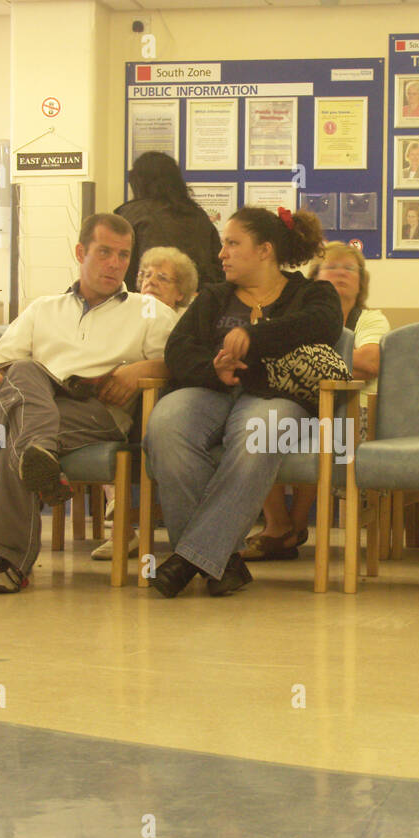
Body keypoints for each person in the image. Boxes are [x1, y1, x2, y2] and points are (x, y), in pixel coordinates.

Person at [142, 207, 340, 597]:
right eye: (223, 245)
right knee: (165, 426)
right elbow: (179, 350)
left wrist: (255, 336)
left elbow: (324, 325)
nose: (222, 254)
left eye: (232, 244)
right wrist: (213, 368)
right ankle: (222, 560)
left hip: (276, 397)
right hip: (212, 389)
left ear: (264, 250)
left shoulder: (311, 292)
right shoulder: (215, 296)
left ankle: (188, 559)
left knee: (258, 433)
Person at [0, 214, 176, 593]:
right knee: (24, 375)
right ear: (81, 252)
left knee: (22, 430)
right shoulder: (43, 308)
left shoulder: (149, 311)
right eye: (104, 252)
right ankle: (39, 454)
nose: (115, 264)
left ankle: (9, 559)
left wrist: (139, 370)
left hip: (98, 410)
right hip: (43, 401)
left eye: (123, 255)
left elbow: (180, 363)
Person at [244, 243, 388, 560]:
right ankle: (279, 525)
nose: (340, 273)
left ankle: (293, 525)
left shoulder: (371, 320)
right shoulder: (300, 317)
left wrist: (307, 361)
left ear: (361, 281)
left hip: (356, 410)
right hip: (300, 404)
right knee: (257, 425)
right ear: (314, 279)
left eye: (349, 268)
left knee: (322, 425)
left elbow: (369, 362)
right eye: (331, 267)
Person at [91, 244, 198, 563]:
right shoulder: (121, 313)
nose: (149, 281)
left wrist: (136, 374)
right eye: (145, 275)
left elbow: (181, 364)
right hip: (112, 396)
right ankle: (118, 518)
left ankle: (120, 519)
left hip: (164, 404)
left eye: (162, 277)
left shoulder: (186, 321)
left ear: (181, 292)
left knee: (110, 412)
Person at [115, 151, 224, 290]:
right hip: (196, 303)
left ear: (137, 182)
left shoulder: (131, 215)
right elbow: (218, 269)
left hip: (147, 301)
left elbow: (121, 270)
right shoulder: (199, 216)